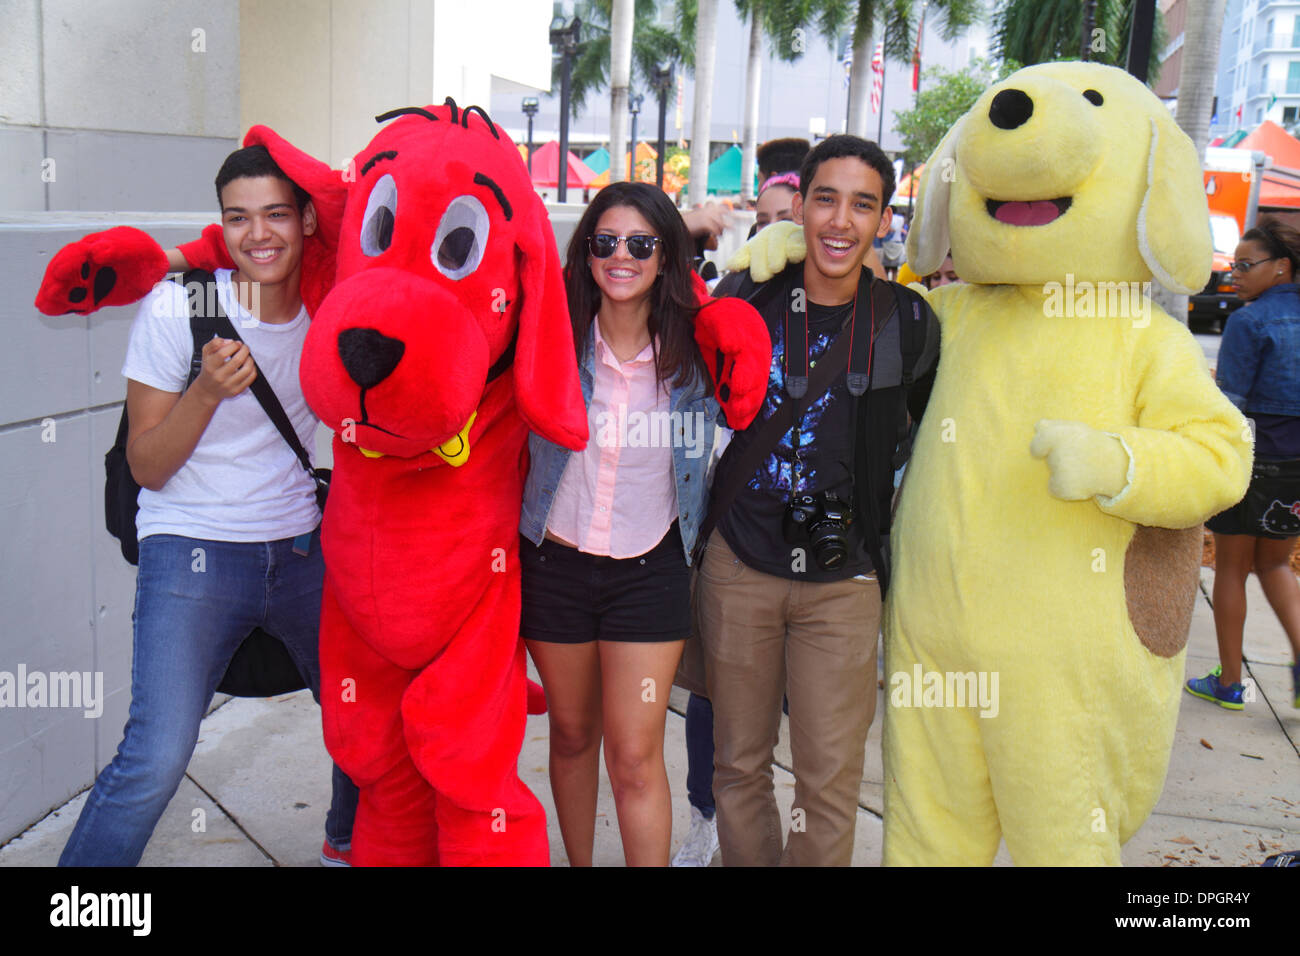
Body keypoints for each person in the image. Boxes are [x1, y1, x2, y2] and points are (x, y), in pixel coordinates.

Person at [57, 145, 359, 866]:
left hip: (303, 552)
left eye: (277, 214)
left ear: (306, 219)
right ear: (221, 226)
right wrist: (203, 393)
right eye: (239, 217)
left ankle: (349, 846)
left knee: (362, 720)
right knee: (157, 755)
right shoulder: (180, 306)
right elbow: (147, 467)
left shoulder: (330, 307)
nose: (260, 234)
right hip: (190, 549)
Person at [697, 134, 939, 866]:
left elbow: (929, 444)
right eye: (825, 199)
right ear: (799, 206)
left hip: (844, 581)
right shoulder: (747, 293)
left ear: (883, 219)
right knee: (738, 765)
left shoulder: (910, 321)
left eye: (862, 204)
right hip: (740, 567)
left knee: (828, 781)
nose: (840, 221)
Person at [519, 181, 732, 866]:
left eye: (641, 244)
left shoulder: (696, 359)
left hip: (650, 572)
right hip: (555, 567)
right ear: (585, 254)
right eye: (605, 241)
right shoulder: (548, 343)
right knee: (574, 735)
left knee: (636, 755)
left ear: (666, 257)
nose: (621, 256)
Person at [1189, 217, 1300, 712]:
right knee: (1276, 563)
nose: (1235, 273)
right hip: (1296, 463)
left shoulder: (1248, 321)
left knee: (1232, 569)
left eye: (1245, 265)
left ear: (1281, 267)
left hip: (1254, 459)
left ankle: (1231, 684)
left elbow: (1228, 404)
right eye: (1233, 264)